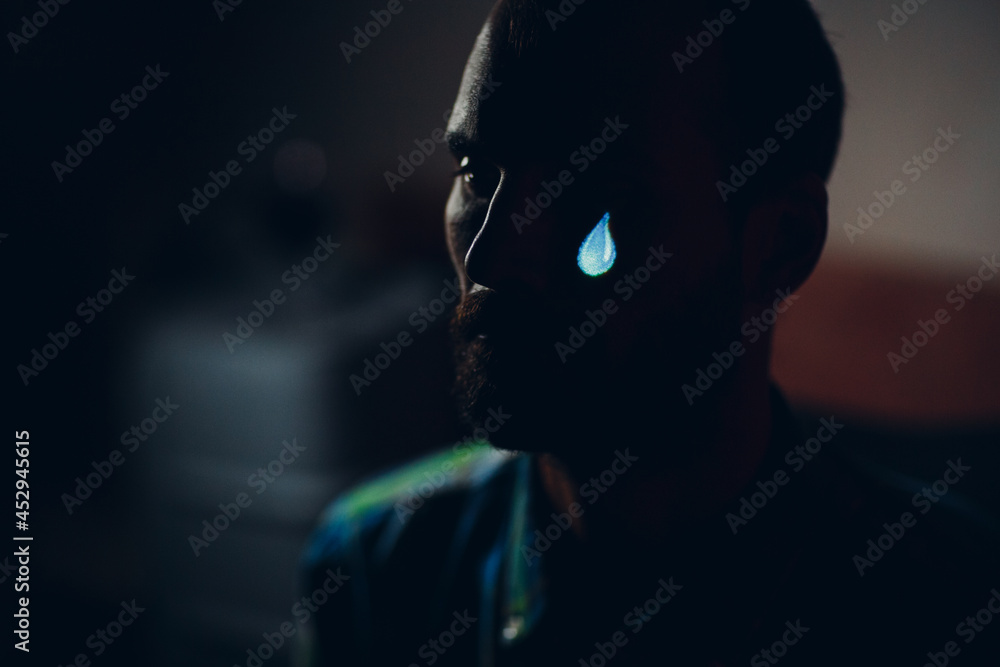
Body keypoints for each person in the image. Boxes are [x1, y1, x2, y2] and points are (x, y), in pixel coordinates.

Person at [299, 1, 1000, 664]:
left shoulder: (953, 607)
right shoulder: (374, 572)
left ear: (782, 243)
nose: (489, 254)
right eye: (478, 173)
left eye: (598, 195)